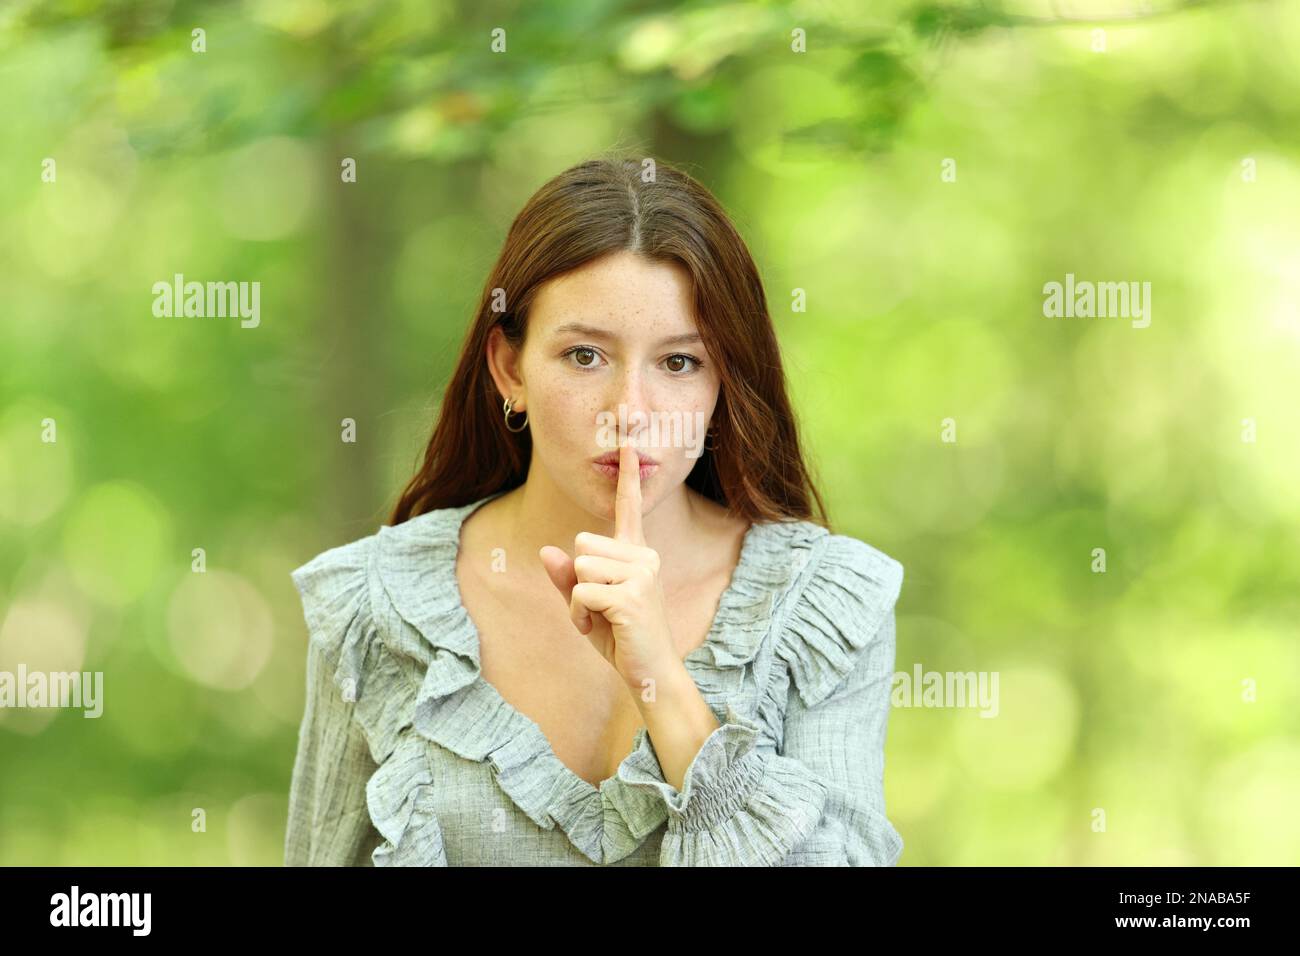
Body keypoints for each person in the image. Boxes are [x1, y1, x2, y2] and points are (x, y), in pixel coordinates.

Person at [284, 155, 905, 866]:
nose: (630, 413)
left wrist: (662, 684)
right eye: (585, 356)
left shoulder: (822, 606)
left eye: (678, 363)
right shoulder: (376, 605)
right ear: (509, 369)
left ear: (723, 384)